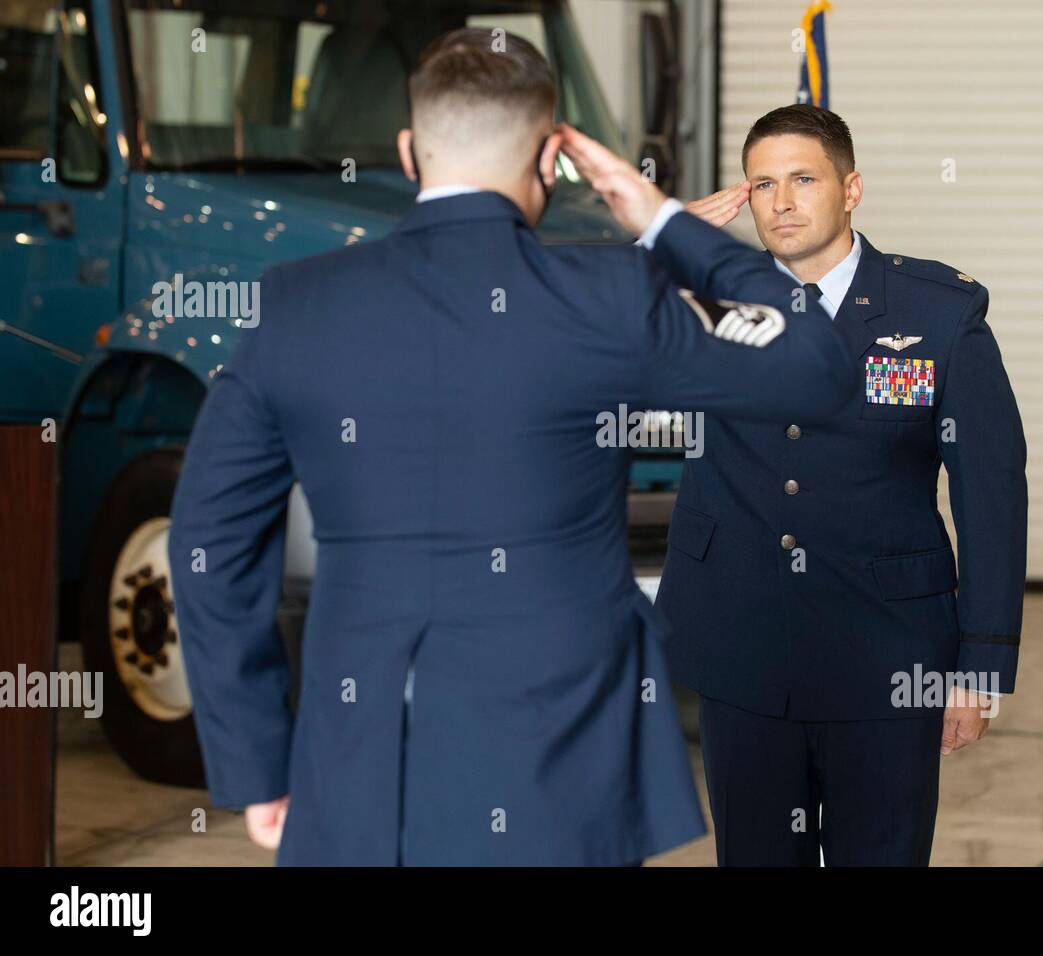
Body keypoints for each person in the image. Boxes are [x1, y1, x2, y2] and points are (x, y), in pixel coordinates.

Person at [166, 32, 857, 865]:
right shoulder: (607, 295)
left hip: (359, 762)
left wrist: (255, 764)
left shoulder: (298, 307)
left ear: (408, 153)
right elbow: (814, 362)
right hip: (565, 762)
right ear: (549, 157)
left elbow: (206, 540)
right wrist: (666, 222)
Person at [657, 104, 1028, 865]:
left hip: (887, 659)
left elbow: (992, 495)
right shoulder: (697, 305)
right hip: (743, 653)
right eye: (762, 183)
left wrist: (981, 666)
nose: (782, 202)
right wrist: (653, 252)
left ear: (851, 188)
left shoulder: (938, 314)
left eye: (803, 179)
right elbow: (561, 335)